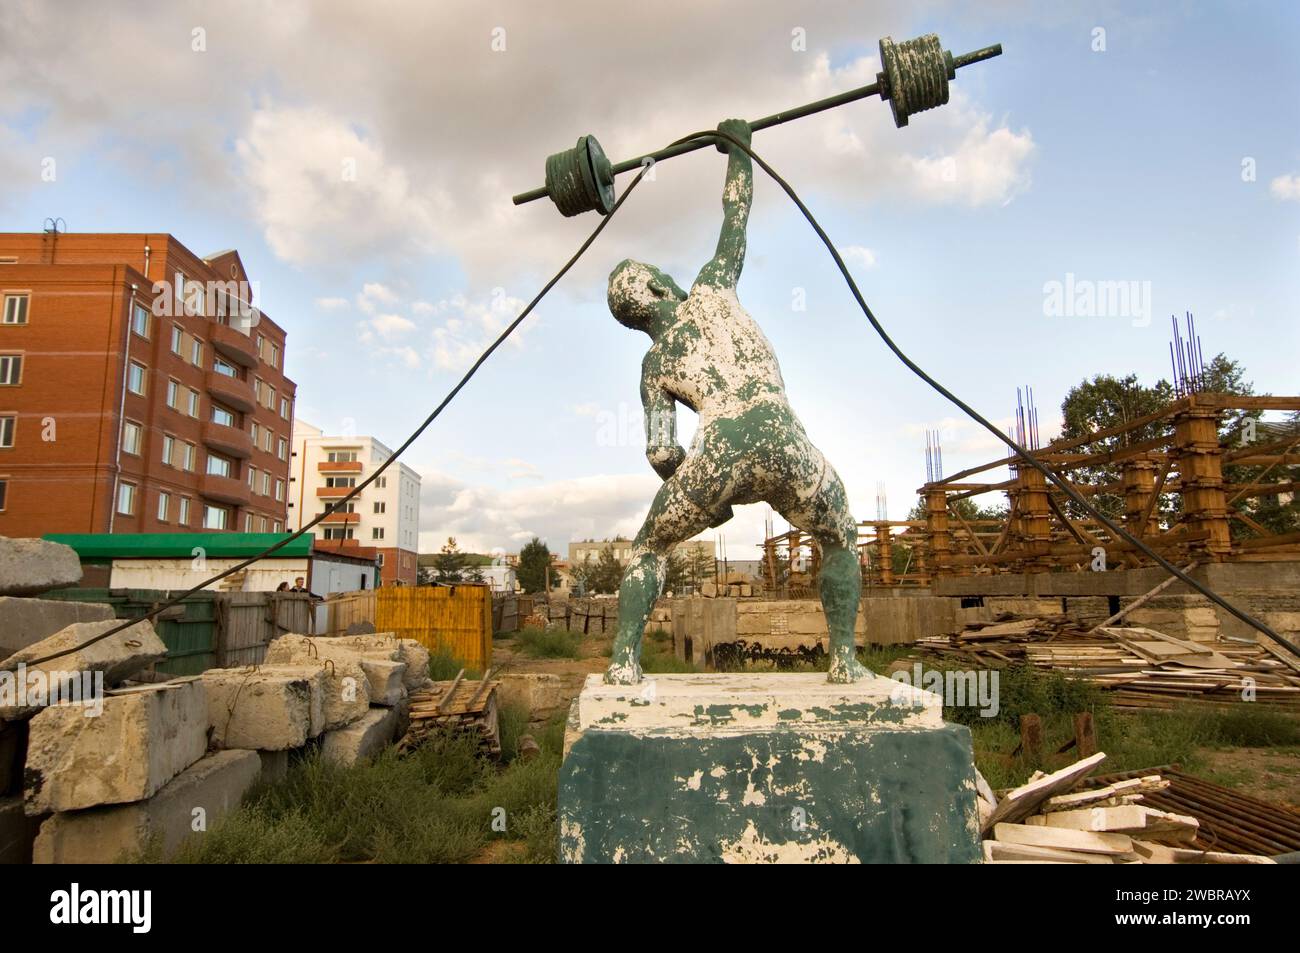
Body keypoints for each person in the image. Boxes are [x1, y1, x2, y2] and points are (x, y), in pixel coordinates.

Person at [604, 118, 865, 686]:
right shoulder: (711, 286)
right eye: (657, 273)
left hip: (719, 449)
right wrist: (740, 149)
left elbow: (659, 451)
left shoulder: (653, 367)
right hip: (783, 437)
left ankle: (624, 661)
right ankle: (843, 658)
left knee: (651, 544)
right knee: (839, 532)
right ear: (654, 290)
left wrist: (701, 490)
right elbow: (736, 217)